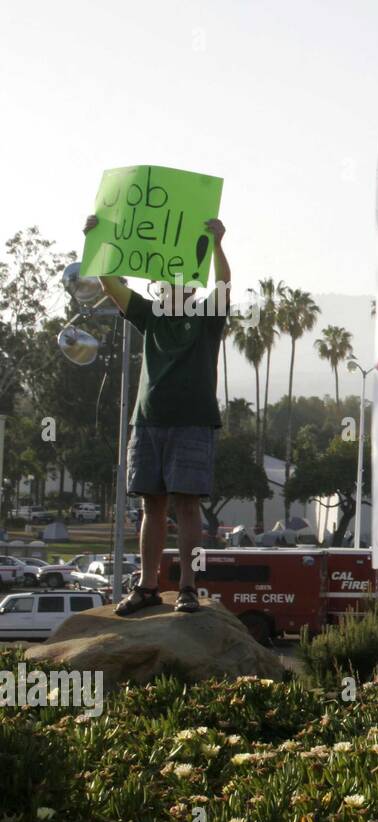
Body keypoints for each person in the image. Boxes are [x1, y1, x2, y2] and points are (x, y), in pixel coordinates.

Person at [81, 214, 230, 616]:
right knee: (152, 506)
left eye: (177, 282)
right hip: (147, 421)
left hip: (193, 422)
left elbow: (224, 284)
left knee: (186, 507)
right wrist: (95, 240)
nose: (169, 287)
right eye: (164, 283)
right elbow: (110, 284)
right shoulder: (149, 315)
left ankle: (187, 586)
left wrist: (216, 245)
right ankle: (147, 586)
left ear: (190, 287)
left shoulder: (207, 318)